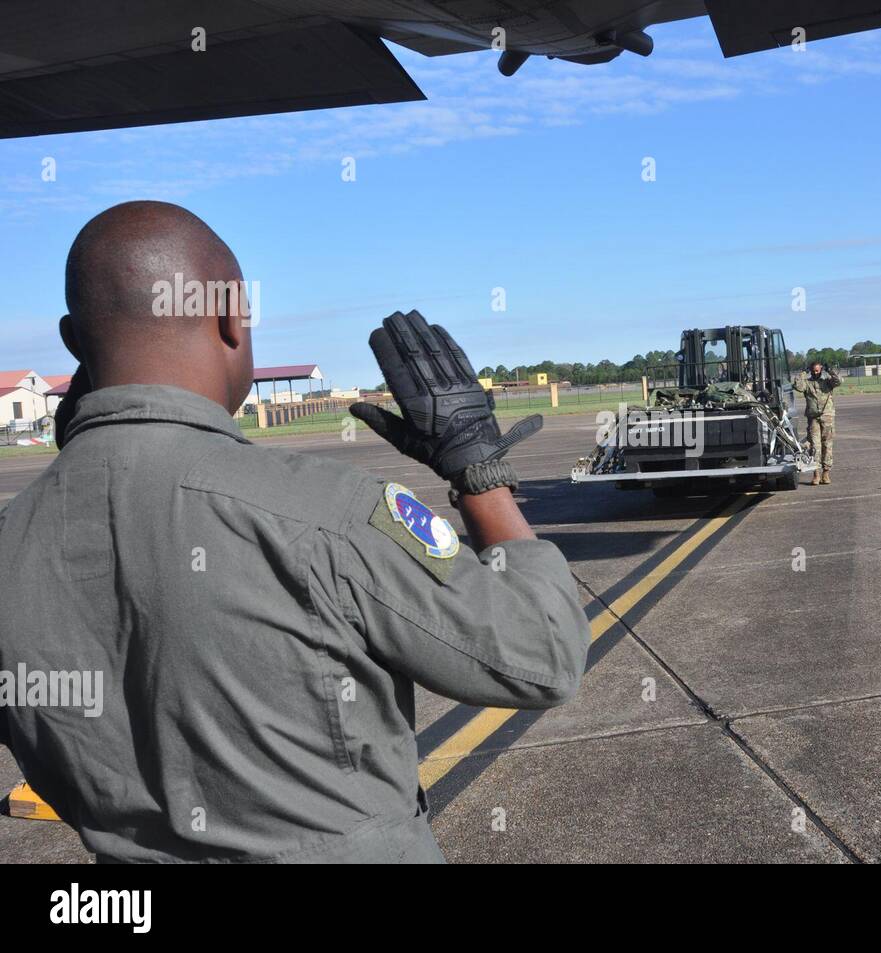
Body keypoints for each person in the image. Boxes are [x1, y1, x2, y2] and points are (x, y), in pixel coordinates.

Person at [0, 201, 589, 863]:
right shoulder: (326, 510)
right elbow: (540, 655)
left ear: (72, 339)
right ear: (230, 318)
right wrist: (480, 472)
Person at [793, 361, 840, 485]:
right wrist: (803, 372)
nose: (815, 373)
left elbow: (839, 381)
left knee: (827, 445)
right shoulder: (807, 383)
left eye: (817, 370)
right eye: (813, 370)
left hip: (827, 417)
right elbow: (797, 385)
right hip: (813, 418)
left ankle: (826, 473)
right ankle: (816, 474)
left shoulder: (827, 382)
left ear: (821, 370)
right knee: (814, 446)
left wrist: (830, 370)